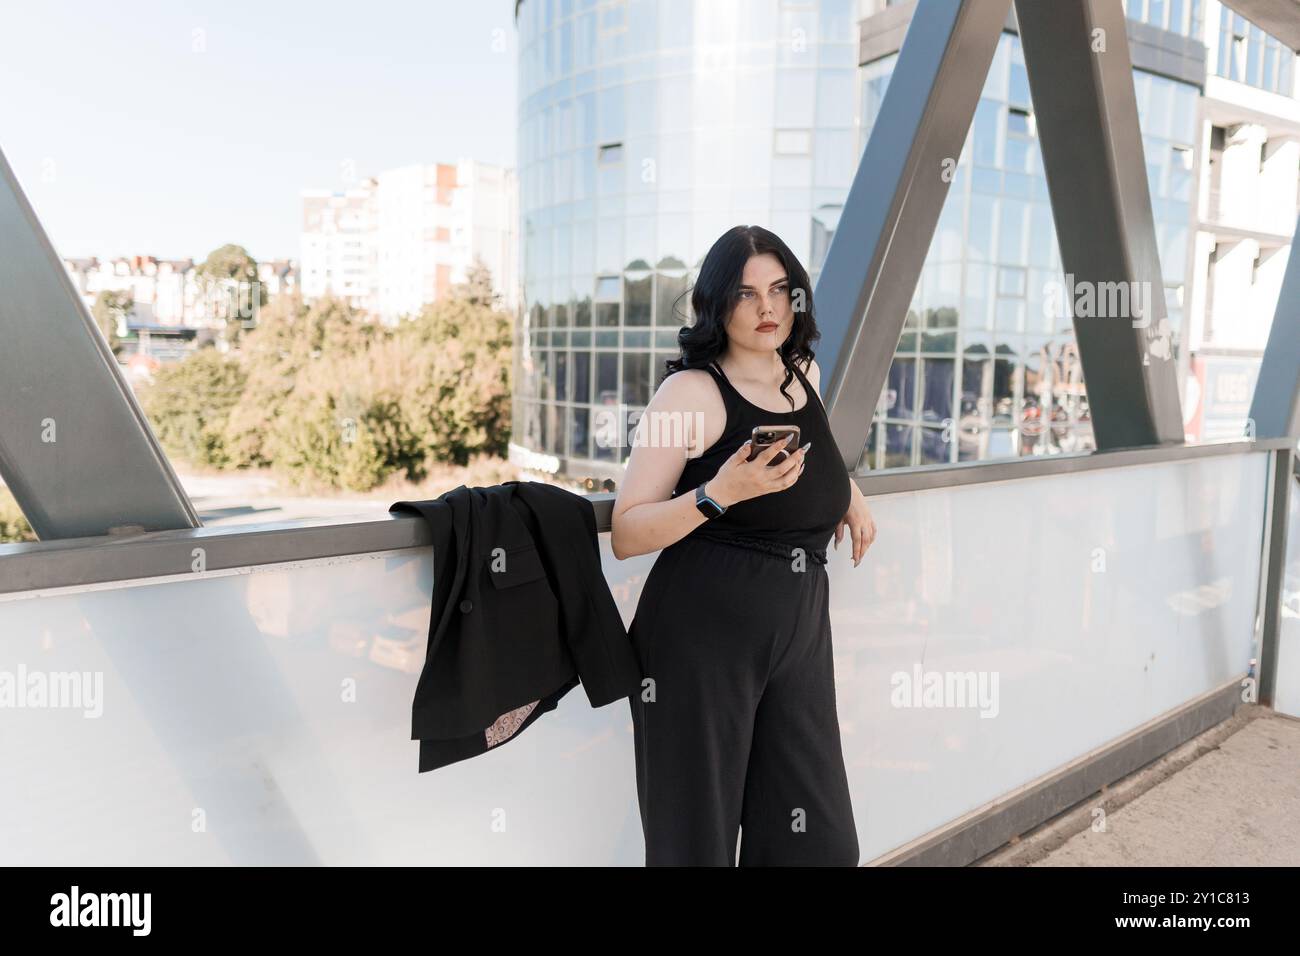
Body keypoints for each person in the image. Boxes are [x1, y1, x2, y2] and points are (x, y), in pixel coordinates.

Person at [610, 224, 877, 866]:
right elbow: (626, 532)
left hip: (798, 634)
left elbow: (804, 463)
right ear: (717, 303)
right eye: (746, 293)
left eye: (780, 290)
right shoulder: (688, 393)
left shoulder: (802, 374)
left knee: (818, 843)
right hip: (698, 640)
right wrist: (718, 493)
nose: (767, 308)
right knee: (695, 844)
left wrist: (846, 490)